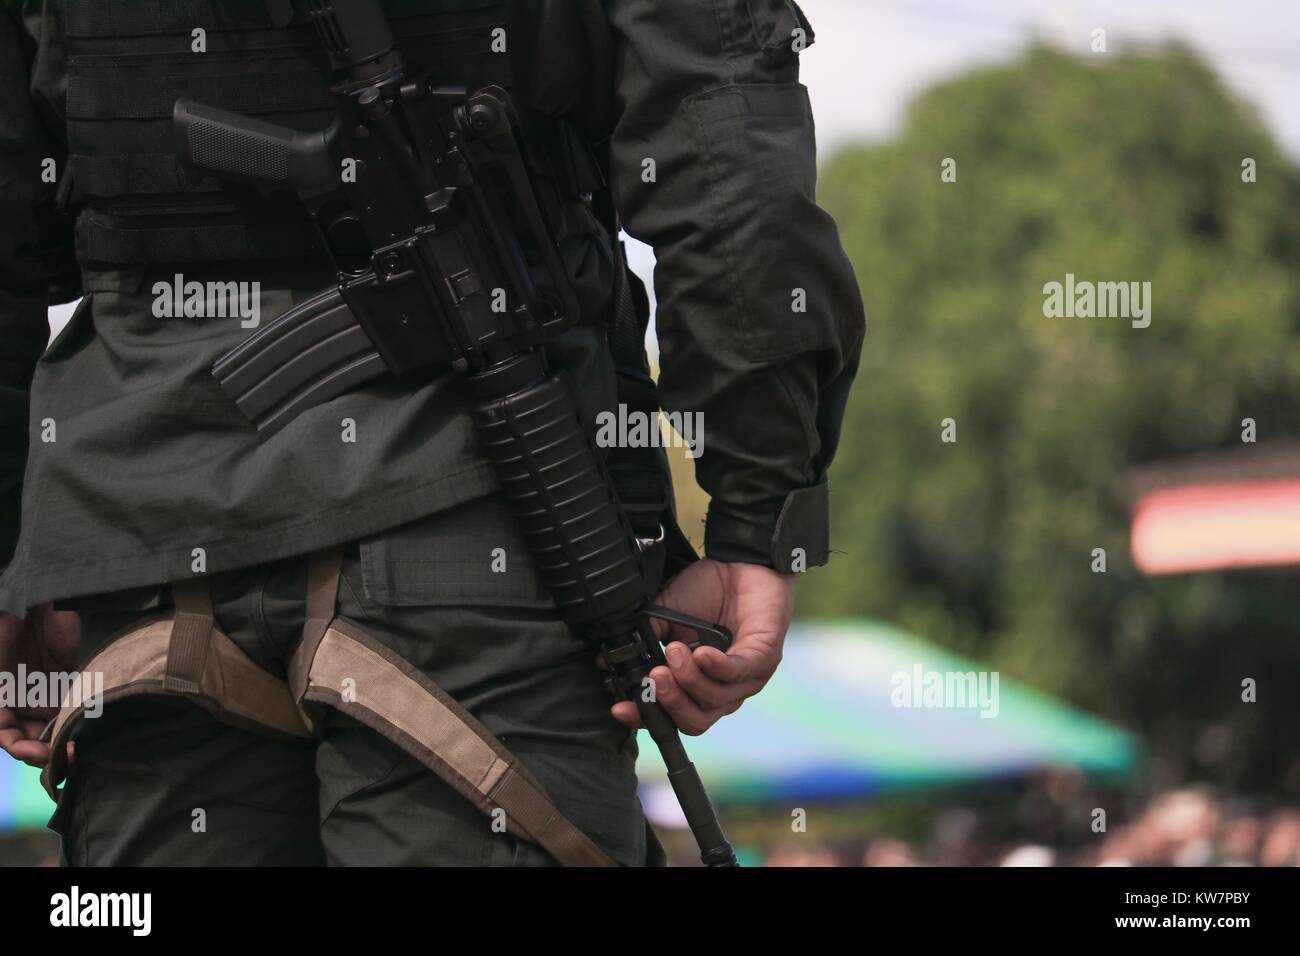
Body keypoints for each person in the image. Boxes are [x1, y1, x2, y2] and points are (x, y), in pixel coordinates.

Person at [0, 0, 864, 865]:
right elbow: (727, 157)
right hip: (478, 532)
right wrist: (759, 517)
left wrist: (11, 560)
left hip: (147, 537)